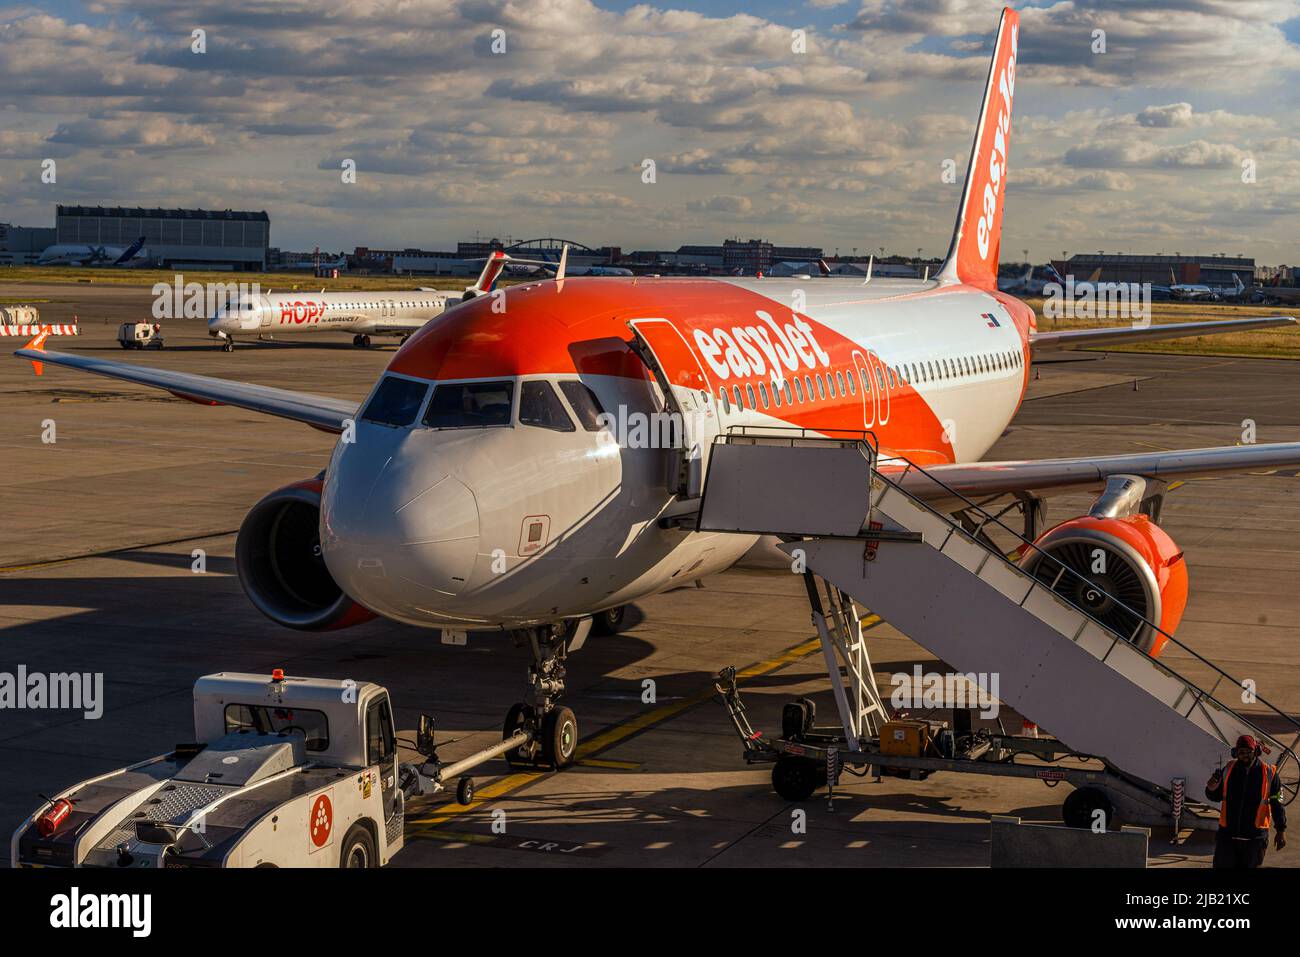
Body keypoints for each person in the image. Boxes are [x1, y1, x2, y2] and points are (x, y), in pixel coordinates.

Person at [1205, 734, 1287, 868]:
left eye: (1249, 752)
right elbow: (1215, 797)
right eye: (1241, 752)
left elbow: (1277, 803)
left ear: (1256, 751)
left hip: (1254, 839)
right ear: (1235, 753)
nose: (1245, 755)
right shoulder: (1228, 770)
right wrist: (1210, 788)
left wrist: (1281, 830)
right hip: (1227, 837)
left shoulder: (1269, 774)